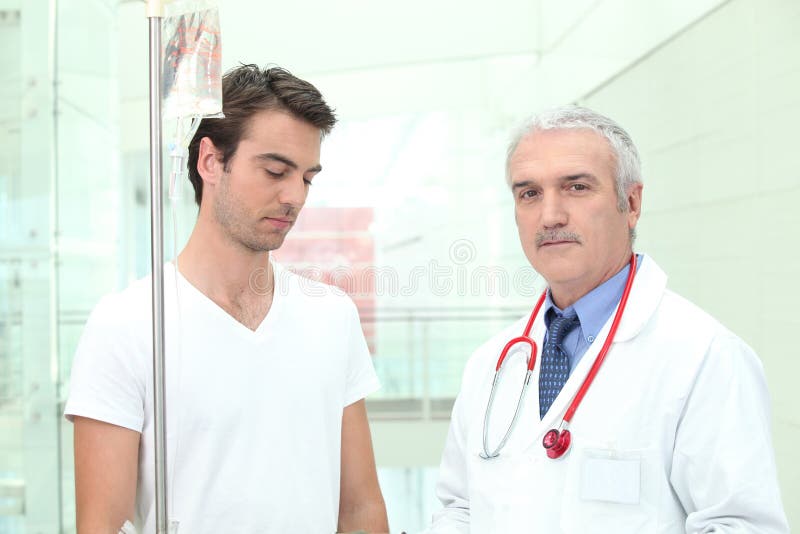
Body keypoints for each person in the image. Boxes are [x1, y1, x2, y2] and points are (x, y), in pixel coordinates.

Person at [426, 106, 789, 533]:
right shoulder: (491, 365)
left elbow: (741, 526)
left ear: (631, 203)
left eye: (576, 187)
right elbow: (460, 508)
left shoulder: (704, 357)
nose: (550, 215)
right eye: (529, 193)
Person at [65, 65, 389, 534]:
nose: (294, 196)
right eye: (275, 171)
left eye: (307, 178)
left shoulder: (332, 317)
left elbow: (360, 508)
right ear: (210, 162)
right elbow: (102, 526)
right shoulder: (128, 325)